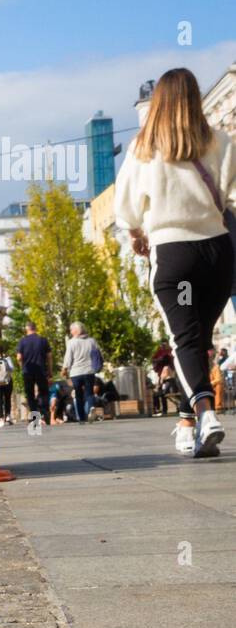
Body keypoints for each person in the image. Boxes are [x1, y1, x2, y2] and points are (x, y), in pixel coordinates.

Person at [116, 66, 236, 457]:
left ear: (159, 104)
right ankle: (188, 426)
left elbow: (127, 209)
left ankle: (205, 412)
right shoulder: (221, 141)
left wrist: (137, 236)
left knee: (184, 339)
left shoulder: (144, 148)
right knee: (198, 339)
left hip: (175, 257)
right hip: (218, 254)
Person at [61, 321, 100, 424]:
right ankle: (91, 408)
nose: (70, 332)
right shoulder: (92, 341)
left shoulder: (72, 342)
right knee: (89, 393)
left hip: (76, 373)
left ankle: (82, 418)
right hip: (89, 371)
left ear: (77, 331)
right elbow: (98, 354)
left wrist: (64, 369)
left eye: (71, 330)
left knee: (78, 395)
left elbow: (68, 358)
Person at [16, 321, 52, 425]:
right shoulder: (43, 340)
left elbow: (19, 358)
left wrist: (22, 367)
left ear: (26, 329)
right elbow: (49, 357)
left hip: (28, 371)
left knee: (30, 394)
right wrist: (49, 371)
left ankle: (35, 417)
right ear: (35, 328)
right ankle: (45, 414)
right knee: (43, 392)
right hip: (41, 370)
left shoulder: (22, 341)